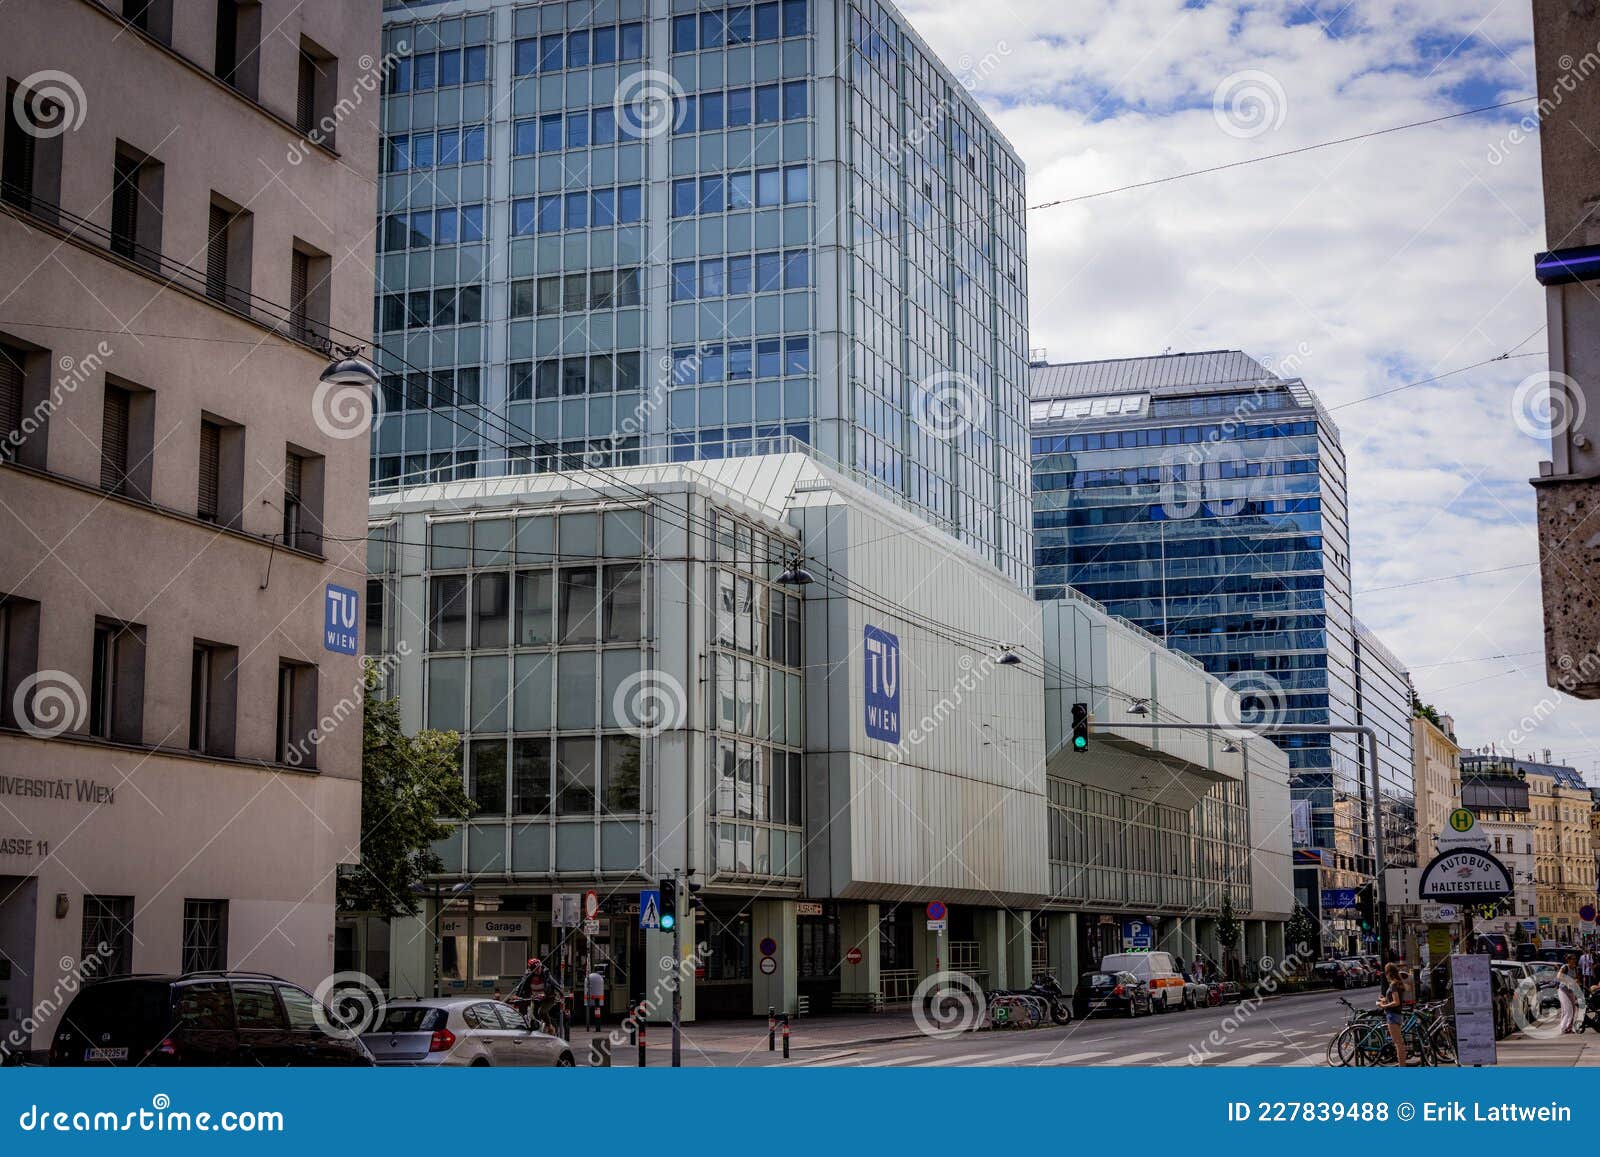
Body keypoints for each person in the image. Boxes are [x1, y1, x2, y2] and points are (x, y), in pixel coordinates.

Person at [509, 957, 565, 1034]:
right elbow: (521, 985)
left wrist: (560, 995)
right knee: (529, 1013)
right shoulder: (528, 976)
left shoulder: (546, 974)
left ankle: (549, 1026)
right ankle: (534, 1028)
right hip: (535, 998)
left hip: (548, 998)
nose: (539, 970)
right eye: (536, 969)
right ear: (531, 970)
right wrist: (517, 995)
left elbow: (555, 984)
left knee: (542, 1012)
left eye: (539, 968)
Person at [1378, 962, 1412, 1065]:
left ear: (1388, 973)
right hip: (1397, 1015)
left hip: (1392, 1015)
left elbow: (1396, 1002)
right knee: (1399, 1043)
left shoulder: (1393, 985)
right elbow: (1395, 999)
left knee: (1398, 1043)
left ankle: (1402, 1066)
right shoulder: (1398, 983)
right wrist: (1384, 999)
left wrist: (1383, 1006)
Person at [1558, 954, 1579, 1034]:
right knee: (1567, 1010)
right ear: (1569, 960)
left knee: (1573, 1010)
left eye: (1575, 959)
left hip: (1571, 991)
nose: (1574, 960)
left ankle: (1569, 1028)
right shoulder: (1565, 967)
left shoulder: (1575, 968)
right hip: (1563, 990)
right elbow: (1559, 976)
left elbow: (1576, 979)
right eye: (1573, 959)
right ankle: (1563, 1028)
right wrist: (1568, 981)